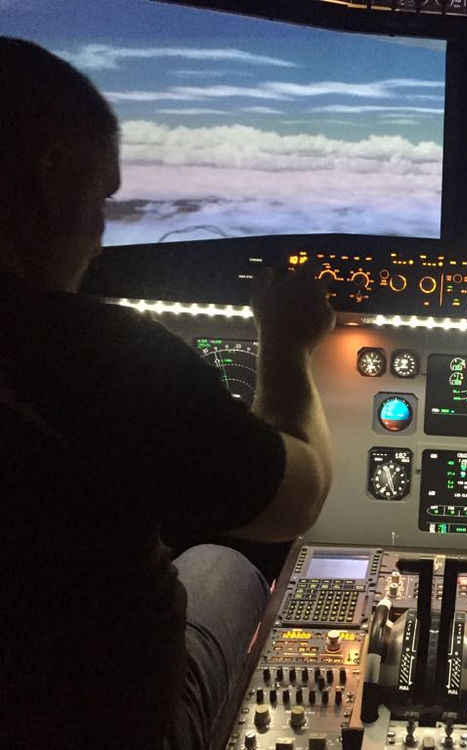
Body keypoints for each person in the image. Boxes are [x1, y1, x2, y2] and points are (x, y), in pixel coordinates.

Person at [0, 38, 334, 749]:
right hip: (98, 727)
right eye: (103, 199)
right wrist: (287, 345)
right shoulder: (86, 351)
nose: (98, 237)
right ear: (51, 174)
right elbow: (297, 498)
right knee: (226, 562)